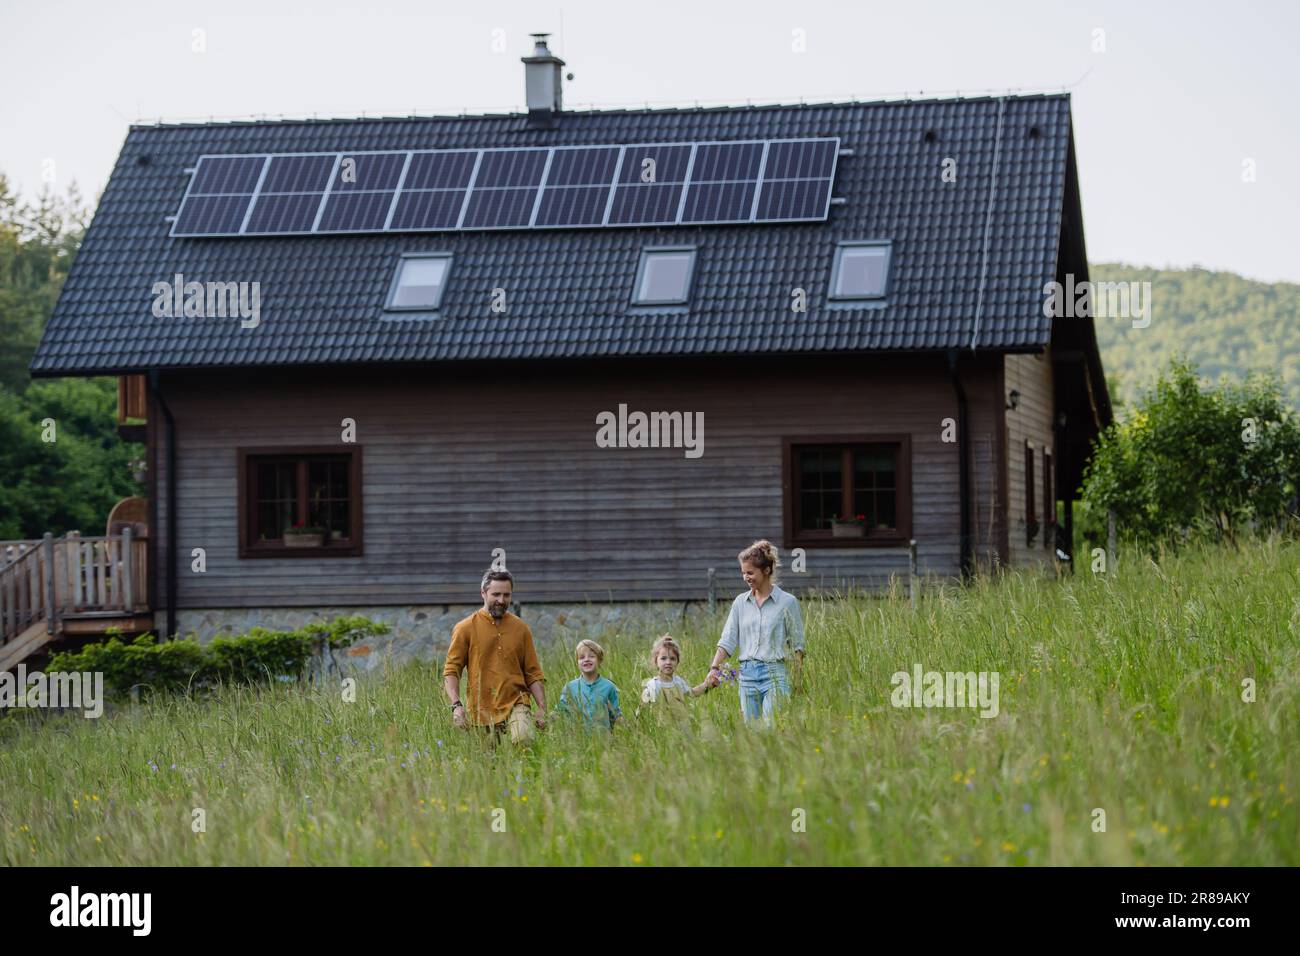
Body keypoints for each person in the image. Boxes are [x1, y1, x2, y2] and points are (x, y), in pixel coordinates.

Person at [706, 540, 805, 725]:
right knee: (752, 735)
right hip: (747, 677)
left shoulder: (787, 602)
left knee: (771, 729)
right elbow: (728, 640)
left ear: (766, 570)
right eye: (743, 573)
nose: (746, 577)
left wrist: (797, 681)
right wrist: (714, 668)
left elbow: (797, 646)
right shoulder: (740, 603)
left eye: (750, 572)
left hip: (775, 675)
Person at [443, 568, 546, 743]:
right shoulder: (465, 628)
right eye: (496, 594)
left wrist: (542, 708)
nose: (501, 600)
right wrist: (456, 706)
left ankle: (527, 771)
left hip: (517, 701)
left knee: (524, 740)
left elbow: (533, 672)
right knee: (488, 766)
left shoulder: (521, 628)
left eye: (506, 595)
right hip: (481, 708)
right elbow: (452, 670)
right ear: (483, 593)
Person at [638, 635, 711, 724]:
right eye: (663, 658)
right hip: (662, 728)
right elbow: (642, 708)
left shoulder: (678, 682)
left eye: (672, 659)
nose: (668, 662)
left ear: (677, 662)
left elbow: (692, 693)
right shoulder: (652, 685)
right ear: (655, 661)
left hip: (683, 726)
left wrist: (707, 684)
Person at [554, 639, 622, 731]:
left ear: (599, 660)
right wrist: (546, 720)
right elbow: (560, 711)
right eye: (581, 657)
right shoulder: (570, 687)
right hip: (578, 739)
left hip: (603, 740)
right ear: (577, 662)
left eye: (591, 656)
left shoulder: (609, 687)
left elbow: (615, 715)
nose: (586, 659)